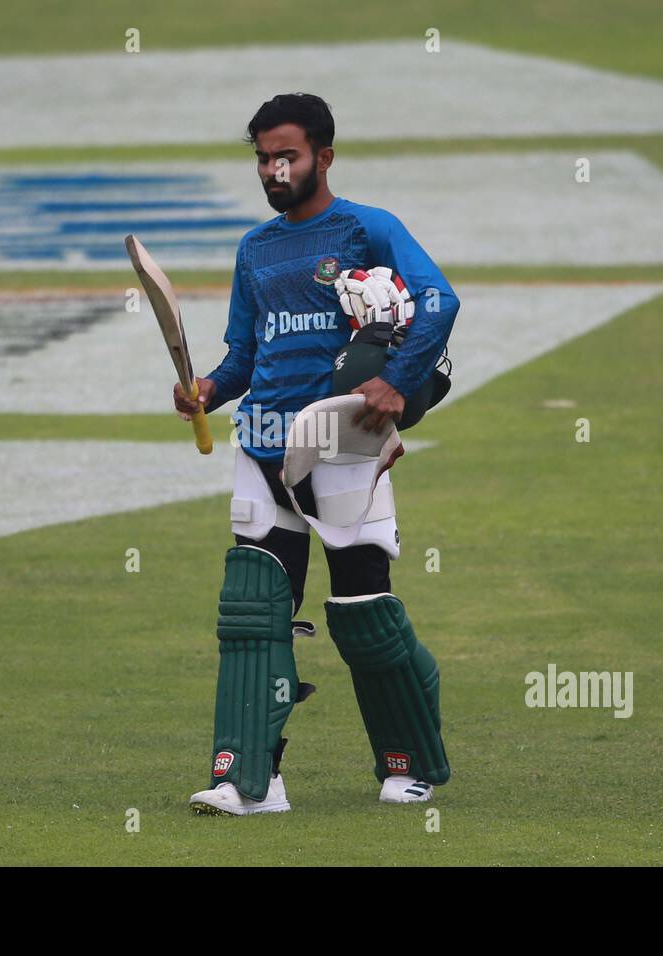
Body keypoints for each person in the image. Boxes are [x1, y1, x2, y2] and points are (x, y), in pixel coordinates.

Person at [173, 93, 460, 815]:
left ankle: (407, 761)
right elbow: (246, 354)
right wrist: (208, 388)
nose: (274, 169)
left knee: (362, 611)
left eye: (288, 155)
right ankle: (250, 781)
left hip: (342, 445)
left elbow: (437, 300)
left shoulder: (366, 228)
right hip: (263, 445)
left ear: (323, 157)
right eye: (264, 157)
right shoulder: (256, 248)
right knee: (253, 616)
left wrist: (398, 383)